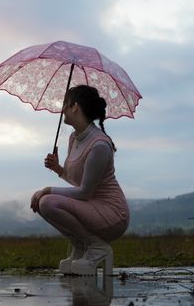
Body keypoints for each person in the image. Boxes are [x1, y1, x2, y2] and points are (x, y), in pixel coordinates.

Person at [29, 84, 129, 275]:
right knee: (40, 199)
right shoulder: (75, 138)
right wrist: (59, 169)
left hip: (112, 214)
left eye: (65, 104)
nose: (62, 109)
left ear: (75, 106)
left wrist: (49, 189)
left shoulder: (99, 145)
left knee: (48, 201)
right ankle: (80, 246)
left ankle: (96, 246)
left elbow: (84, 192)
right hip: (90, 207)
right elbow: (79, 183)